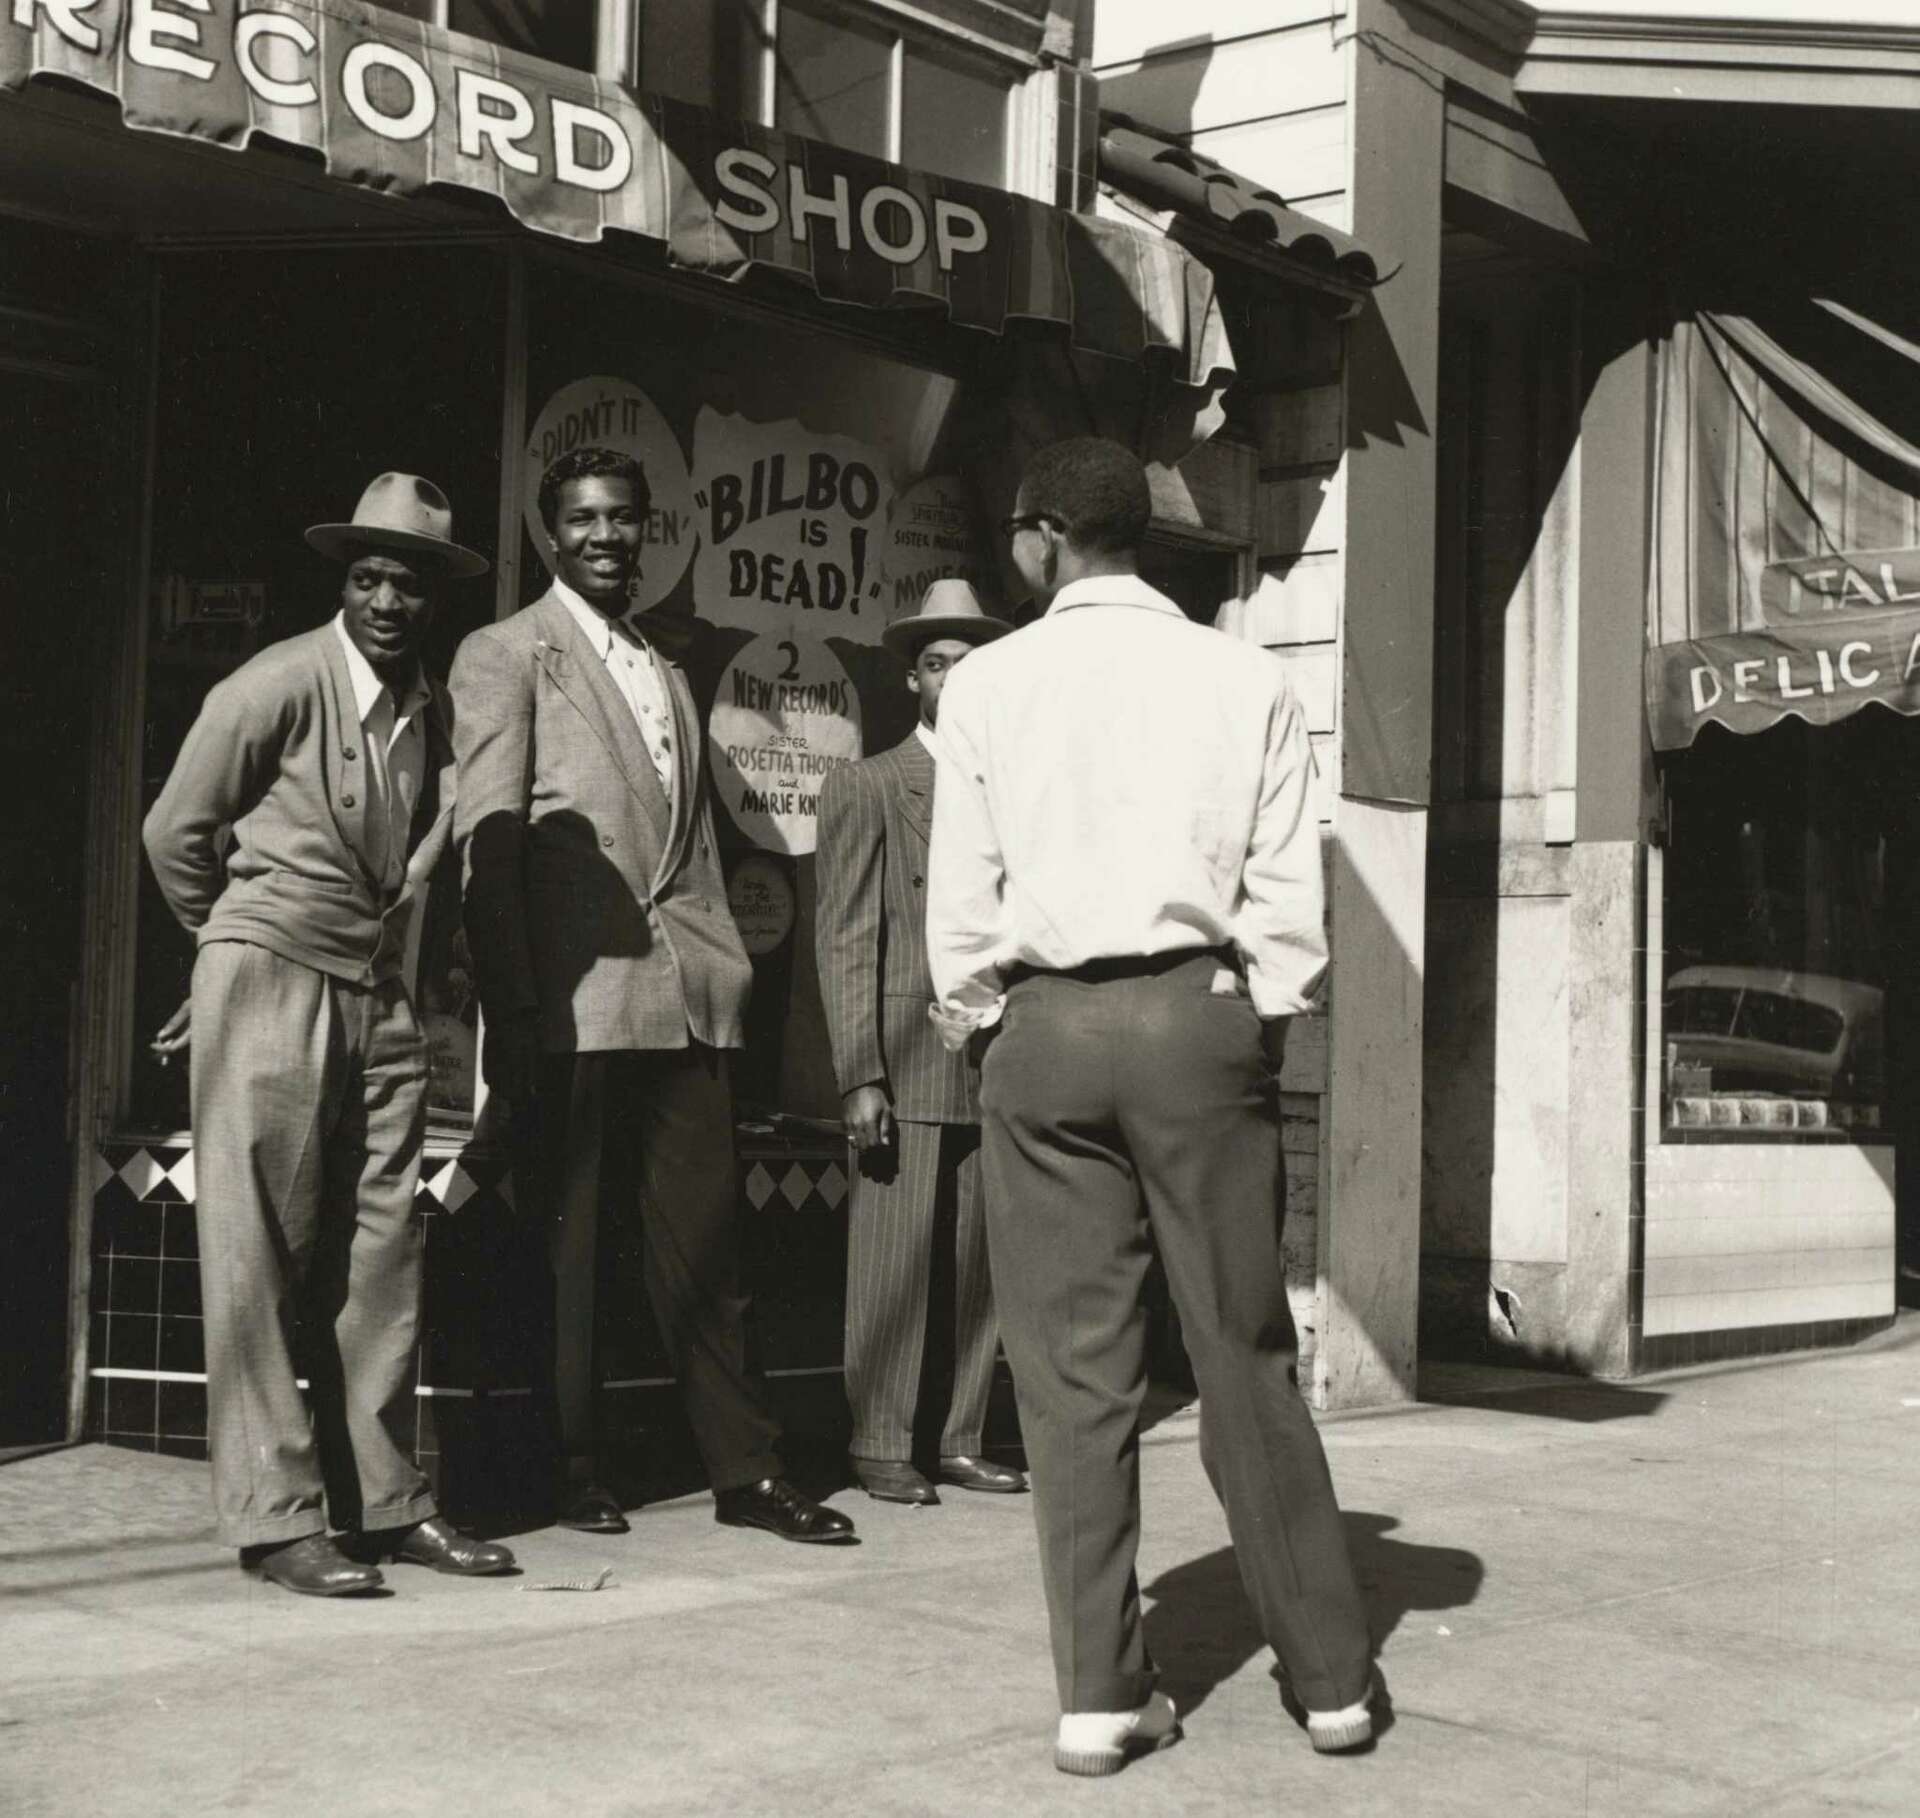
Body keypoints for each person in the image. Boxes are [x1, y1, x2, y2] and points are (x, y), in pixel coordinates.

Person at [926, 437, 1375, 1772]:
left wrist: (983, 1014)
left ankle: (1099, 1695)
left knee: (1071, 1375)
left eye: (1016, 534)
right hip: (1198, 1016)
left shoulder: (987, 684)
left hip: (1048, 1025)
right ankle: (1334, 1679)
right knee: (1240, 1347)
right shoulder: (1244, 676)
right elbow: (1291, 887)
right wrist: (1259, 1003)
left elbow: (964, 893)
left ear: (1049, 534)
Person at [450, 445, 853, 1546]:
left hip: (688, 991)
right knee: (570, 1248)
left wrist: (724, 964)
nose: (605, 536)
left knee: (708, 1241)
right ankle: (570, 1469)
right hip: (577, 996)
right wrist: (516, 1009)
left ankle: (747, 1471)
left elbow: (694, 850)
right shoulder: (506, 653)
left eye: (623, 519)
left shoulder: (667, 669)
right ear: (551, 533)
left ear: (645, 531)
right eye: (582, 518)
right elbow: (486, 844)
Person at [143, 473, 515, 1596]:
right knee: (257, 1254)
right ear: (342, 583)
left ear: (436, 596)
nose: (388, 599)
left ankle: (388, 1505)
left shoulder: (429, 709)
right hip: (275, 979)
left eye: (409, 581)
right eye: (369, 577)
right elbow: (175, 831)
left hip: (378, 998)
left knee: (383, 1252)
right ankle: (276, 1520)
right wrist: (234, 952)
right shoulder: (277, 683)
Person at [814, 579, 1027, 1507]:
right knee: (895, 1256)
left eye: (973, 663)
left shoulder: (1021, 789)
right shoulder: (869, 784)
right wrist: (859, 1071)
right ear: (913, 680)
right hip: (905, 1052)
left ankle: (961, 1435)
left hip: (1002, 1052)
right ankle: (881, 1438)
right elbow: (846, 934)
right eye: (939, 664)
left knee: (986, 1260)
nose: (956, 678)